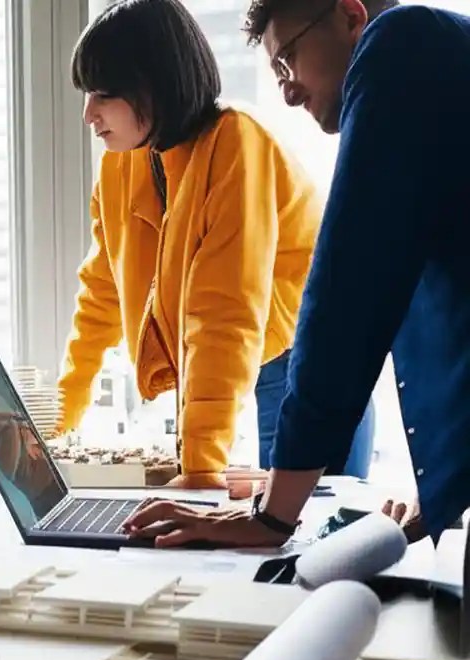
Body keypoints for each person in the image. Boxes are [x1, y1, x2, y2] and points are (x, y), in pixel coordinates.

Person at [124, 0, 470, 547]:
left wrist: (272, 518)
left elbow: (348, 294)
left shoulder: (401, 43)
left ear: (351, 17)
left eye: (288, 60)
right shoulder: (443, 57)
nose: (287, 91)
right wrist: (447, 487)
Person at [56, 0, 374, 489]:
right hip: (232, 369)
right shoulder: (123, 163)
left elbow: (225, 315)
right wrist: (59, 420)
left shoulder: (236, 146)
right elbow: (104, 289)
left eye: (103, 94)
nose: (88, 114)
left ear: (155, 85)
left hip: (307, 367)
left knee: (304, 544)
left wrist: (201, 471)